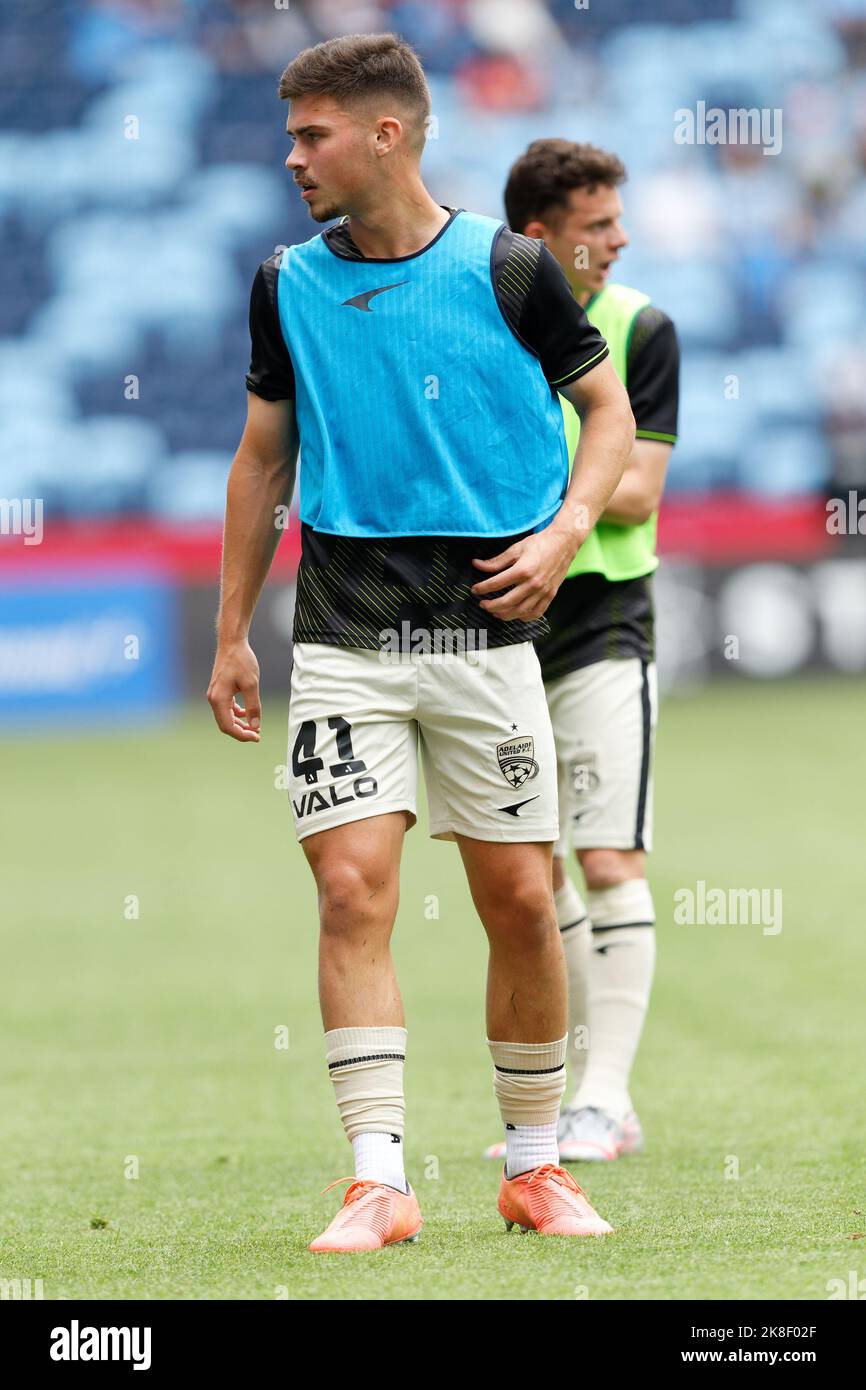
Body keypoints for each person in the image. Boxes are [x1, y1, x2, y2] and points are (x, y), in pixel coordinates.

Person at [208, 36, 634, 1251]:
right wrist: (234, 631)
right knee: (350, 891)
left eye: (313, 135)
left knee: (516, 896)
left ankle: (535, 1165)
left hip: (486, 632)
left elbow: (603, 412)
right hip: (341, 635)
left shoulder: (511, 269)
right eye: (291, 136)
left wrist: (562, 533)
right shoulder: (283, 281)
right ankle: (376, 1178)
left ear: (386, 134)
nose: (292, 158)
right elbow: (261, 458)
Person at [483, 139, 679, 1165]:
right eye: (596, 225)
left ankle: (604, 1096)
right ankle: (565, 1097)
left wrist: (530, 494)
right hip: (501, 627)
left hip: (602, 614)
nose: (618, 238)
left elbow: (637, 488)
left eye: (615, 220)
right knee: (527, 868)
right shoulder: (483, 315)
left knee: (607, 855)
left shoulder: (638, 326)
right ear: (535, 236)